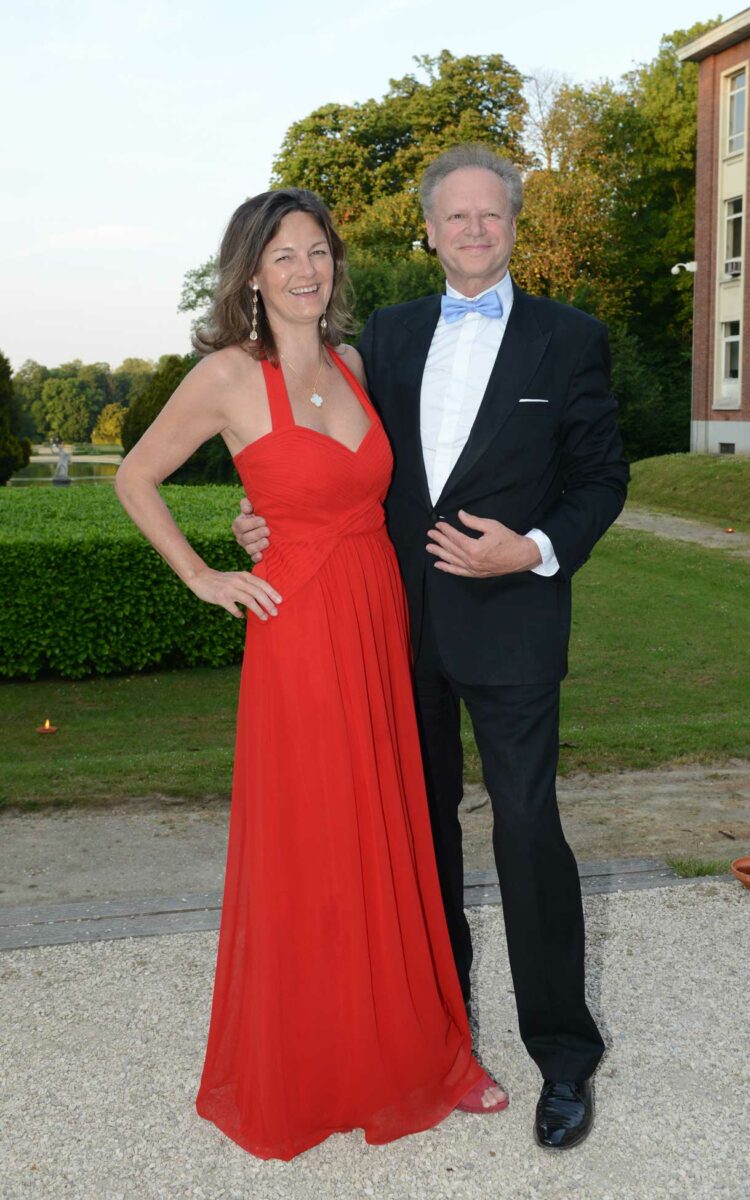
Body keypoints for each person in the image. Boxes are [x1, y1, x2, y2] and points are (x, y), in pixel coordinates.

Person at [234, 145, 629, 1151]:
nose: (469, 231)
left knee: (526, 834)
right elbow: (332, 457)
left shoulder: (569, 339)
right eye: (451, 217)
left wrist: (532, 548)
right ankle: (429, 1046)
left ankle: (562, 1056)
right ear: (427, 229)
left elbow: (599, 479)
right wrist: (261, 520)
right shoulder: (386, 334)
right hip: (390, 630)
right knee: (412, 843)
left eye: (486, 216)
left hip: (514, 628)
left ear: (510, 225)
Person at [114, 187, 503, 1162]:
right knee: (315, 842)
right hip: (295, 632)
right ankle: (318, 1064)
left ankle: (416, 1055)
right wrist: (208, 573)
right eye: (282, 255)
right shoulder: (223, 377)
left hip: (375, 618)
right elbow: (134, 477)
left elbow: (372, 492)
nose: (304, 269)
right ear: (249, 272)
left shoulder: (354, 362)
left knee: (386, 828)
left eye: (316, 252)